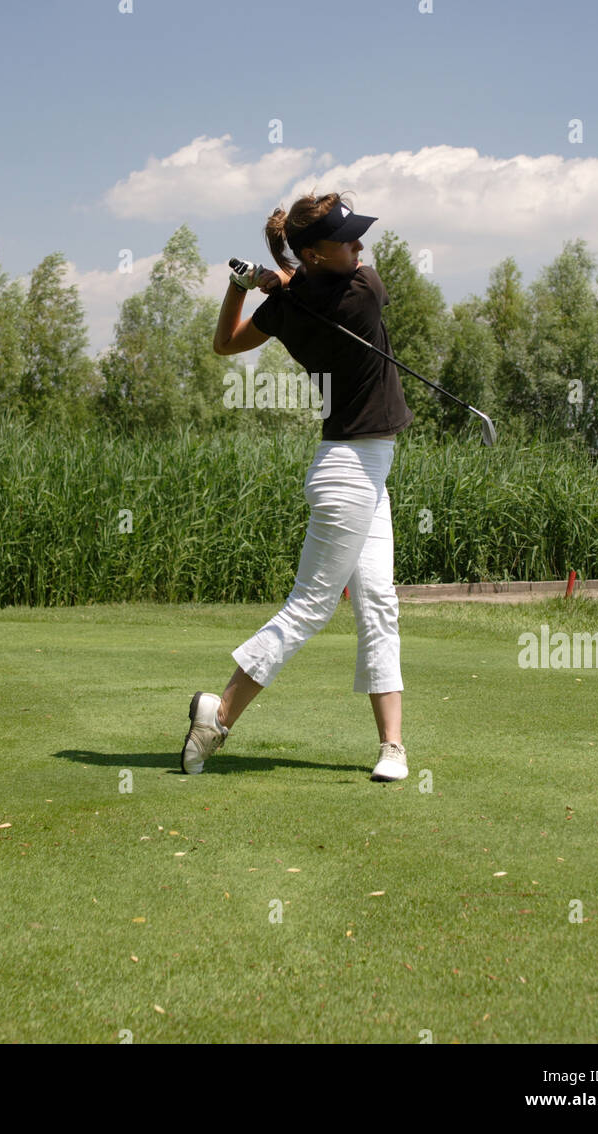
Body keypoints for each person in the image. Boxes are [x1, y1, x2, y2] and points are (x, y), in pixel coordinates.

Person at [181, 191, 414, 781]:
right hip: (348, 473)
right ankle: (219, 715)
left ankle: (392, 747)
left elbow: (225, 343)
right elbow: (339, 279)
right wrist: (278, 280)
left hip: (366, 469)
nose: (361, 247)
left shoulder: (290, 303)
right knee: (311, 607)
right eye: (348, 239)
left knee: (379, 604)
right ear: (313, 253)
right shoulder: (363, 291)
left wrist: (247, 284)